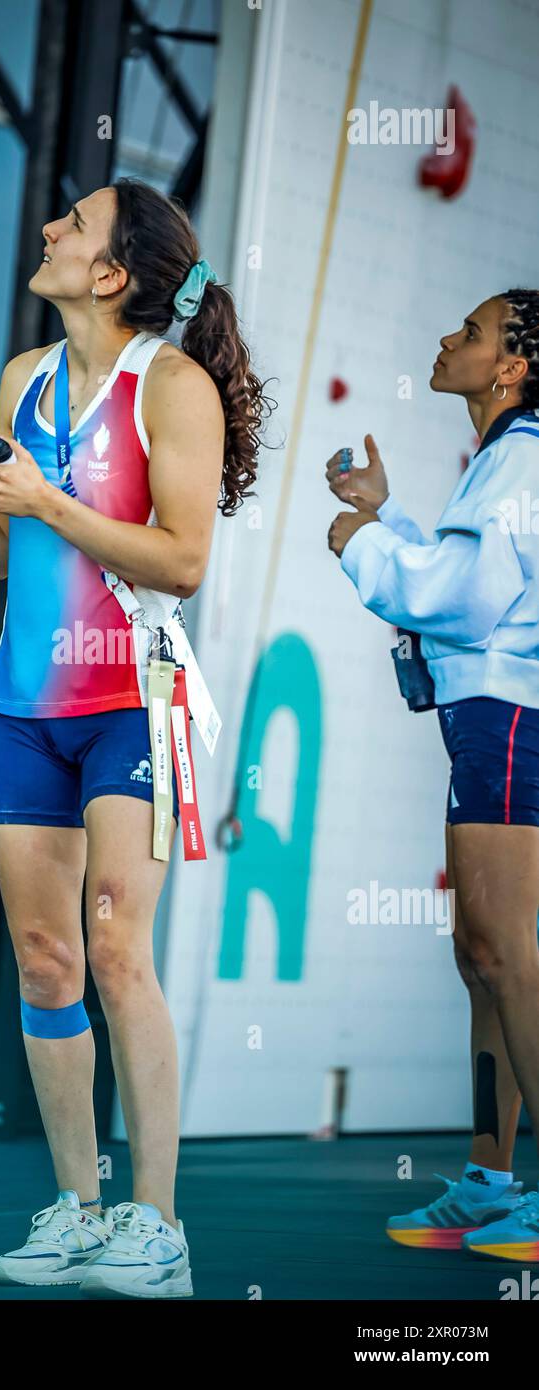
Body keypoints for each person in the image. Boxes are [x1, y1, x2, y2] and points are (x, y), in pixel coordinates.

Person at [0, 178, 269, 1297]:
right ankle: (78, 1211)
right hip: (24, 709)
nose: (46, 227)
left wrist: (46, 504)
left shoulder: (171, 387)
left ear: (112, 274)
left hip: (128, 701)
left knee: (117, 953)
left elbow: (179, 558)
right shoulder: (22, 379)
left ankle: (160, 1225)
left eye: (72, 225)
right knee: (47, 961)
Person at [326, 290, 539, 1262]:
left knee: (502, 950)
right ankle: (492, 1179)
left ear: (510, 368)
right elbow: (463, 574)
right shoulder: (504, 461)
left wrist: (357, 545)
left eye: (470, 332)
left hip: (503, 720)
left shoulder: (519, 458)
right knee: (478, 956)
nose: (445, 339)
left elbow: (458, 601)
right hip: (482, 722)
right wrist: (387, 514)